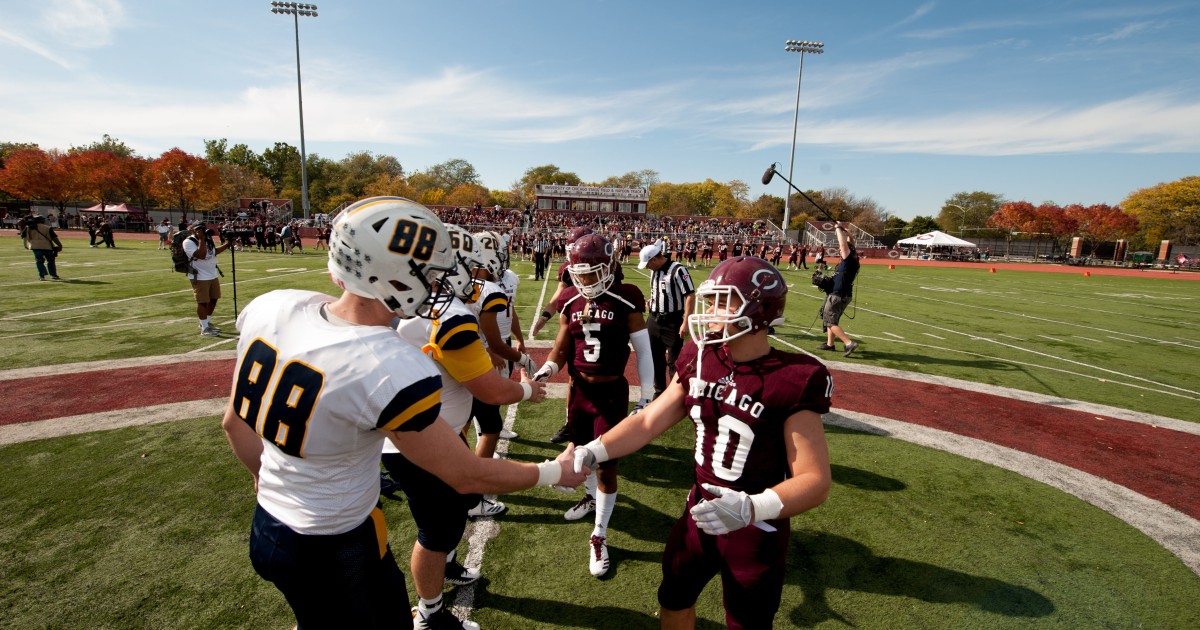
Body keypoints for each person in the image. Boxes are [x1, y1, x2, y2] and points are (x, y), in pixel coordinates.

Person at [221, 197, 587, 630]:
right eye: (429, 270)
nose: (438, 280)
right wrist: (552, 472)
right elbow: (466, 474)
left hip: (268, 524)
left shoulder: (277, 308)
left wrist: (270, 486)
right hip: (333, 542)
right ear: (394, 275)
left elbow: (233, 423)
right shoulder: (383, 361)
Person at [572, 255, 833, 628]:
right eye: (711, 300)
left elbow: (814, 481)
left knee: (747, 622)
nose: (709, 310)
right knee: (673, 598)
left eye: (722, 301)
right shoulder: (701, 355)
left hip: (757, 526)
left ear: (759, 310)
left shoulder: (794, 378)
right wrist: (595, 449)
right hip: (698, 509)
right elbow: (647, 421)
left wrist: (751, 507)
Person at [388, 224, 547, 630]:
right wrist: (528, 392)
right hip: (423, 436)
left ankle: (450, 565)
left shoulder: (410, 308)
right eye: (472, 267)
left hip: (429, 426)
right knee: (437, 527)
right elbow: (489, 390)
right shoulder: (450, 314)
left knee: (448, 517)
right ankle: (429, 614)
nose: (479, 277)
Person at [532, 233, 654, 578]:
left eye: (591, 272)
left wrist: (647, 394)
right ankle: (589, 498)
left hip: (612, 394)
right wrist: (546, 370)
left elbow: (643, 351)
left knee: (606, 466)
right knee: (580, 451)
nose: (584, 280)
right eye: (579, 273)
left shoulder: (627, 296)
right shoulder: (570, 298)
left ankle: (599, 534)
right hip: (579, 392)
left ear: (610, 265)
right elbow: (561, 349)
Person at [638, 240, 695, 400]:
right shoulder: (654, 271)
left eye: (648, 264)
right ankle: (659, 390)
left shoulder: (677, 270)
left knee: (674, 360)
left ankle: (675, 394)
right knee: (654, 357)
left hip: (673, 321)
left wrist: (685, 322)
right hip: (654, 319)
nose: (647, 267)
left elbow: (690, 295)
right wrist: (652, 301)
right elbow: (659, 291)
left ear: (654, 260)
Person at [816, 222, 861, 357]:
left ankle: (848, 343)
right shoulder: (853, 259)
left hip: (838, 295)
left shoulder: (848, 260)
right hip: (841, 294)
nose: (839, 251)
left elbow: (844, 245)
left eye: (841, 250)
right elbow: (849, 243)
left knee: (829, 320)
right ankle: (830, 344)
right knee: (832, 319)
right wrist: (847, 233)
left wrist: (837, 229)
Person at [182, 220, 232, 337]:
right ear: (193, 230)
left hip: (212, 273)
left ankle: (206, 322)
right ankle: (204, 328)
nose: (203, 231)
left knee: (214, 298)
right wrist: (201, 239)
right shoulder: (188, 242)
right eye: (199, 229)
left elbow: (213, 252)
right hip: (199, 275)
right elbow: (201, 255)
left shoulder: (208, 239)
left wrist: (227, 244)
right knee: (202, 301)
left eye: (203, 228)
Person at [21, 215, 63, 281]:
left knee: (39, 261)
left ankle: (42, 275)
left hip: (35, 246)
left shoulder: (28, 227)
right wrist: (60, 245)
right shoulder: (47, 228)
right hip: (47, 246)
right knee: (50, 261)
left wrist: (25, 245)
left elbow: (24, 237)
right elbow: (54, 238)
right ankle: (53, 275)